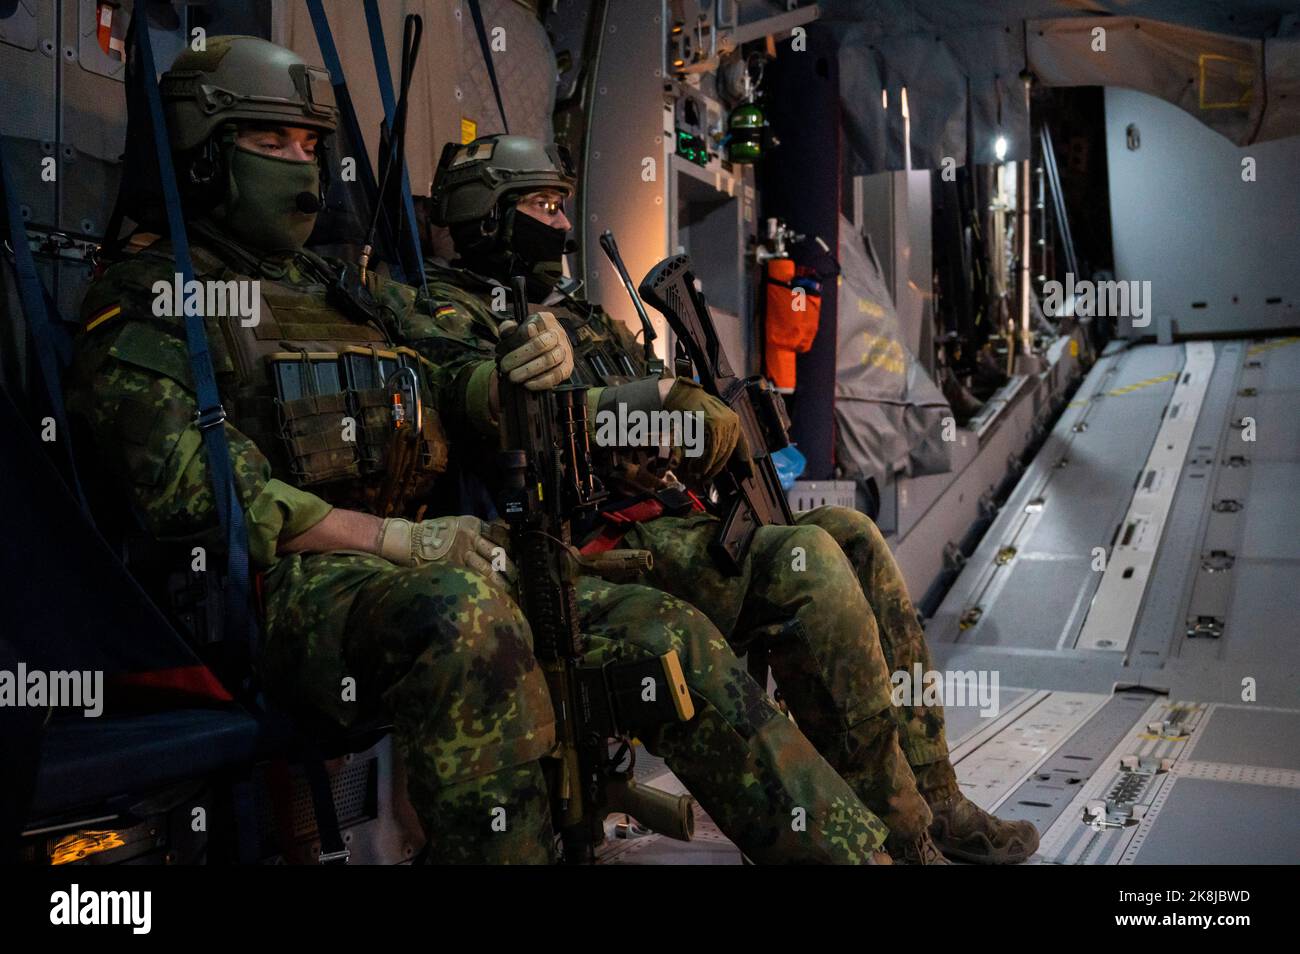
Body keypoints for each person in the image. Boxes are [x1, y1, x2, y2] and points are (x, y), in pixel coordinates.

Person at [65, 36, 897, 865]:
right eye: (270, 140)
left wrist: (519, 377)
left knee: (660, 632)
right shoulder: (148, 305)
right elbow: (203, 496)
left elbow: (451, 379)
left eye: (312, 144)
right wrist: (395, 539)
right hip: (279, 590)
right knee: (463, 618)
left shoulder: (347, 291)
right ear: (204, 153)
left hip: (427, 565)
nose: (301, 166)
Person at [410, 133, 1040, 864]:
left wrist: (704, 416)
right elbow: (490, 408)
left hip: (664, 528)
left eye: (561, 205)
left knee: (852, 536)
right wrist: (665, 410)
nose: (558, 223)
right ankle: (902, 835)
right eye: (541, 207)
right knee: (805, 558)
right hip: (577, 556)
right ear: (487, 217)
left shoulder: (585, 320)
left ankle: (936, 798)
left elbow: (673, 407)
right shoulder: (448, 314)